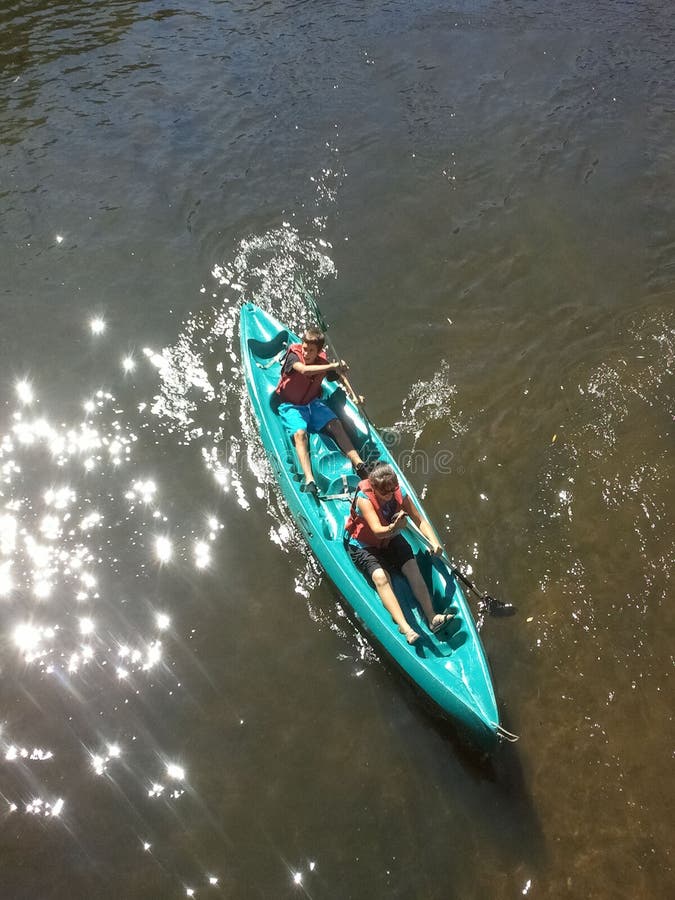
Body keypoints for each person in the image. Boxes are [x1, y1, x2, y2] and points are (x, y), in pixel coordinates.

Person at [344, 463, 454, 644]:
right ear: (374, 489)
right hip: (364, 544)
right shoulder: (364, 498)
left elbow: (420, 521)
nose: (389, 496)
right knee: (381, 577)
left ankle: (432, 617)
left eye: (392, 490)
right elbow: (378, 530)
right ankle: (405, 627)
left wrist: (434, 541)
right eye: (384, 493)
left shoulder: (398, 494)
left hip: (391, 539)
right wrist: (395, 527)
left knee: (412, 568)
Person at [275, 326, 369, 495]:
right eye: (305, 348)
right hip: (292, 406)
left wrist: (353, 395)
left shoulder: (323, 362)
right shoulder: (293, 356)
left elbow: (339, 375)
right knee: (300, 434)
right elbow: (303, 370)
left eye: (311, 351)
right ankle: (309, 478)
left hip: (313, 403)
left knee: (336, 424)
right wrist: (332, 366)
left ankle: (359, 463)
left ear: (319, 351)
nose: (306, 353)